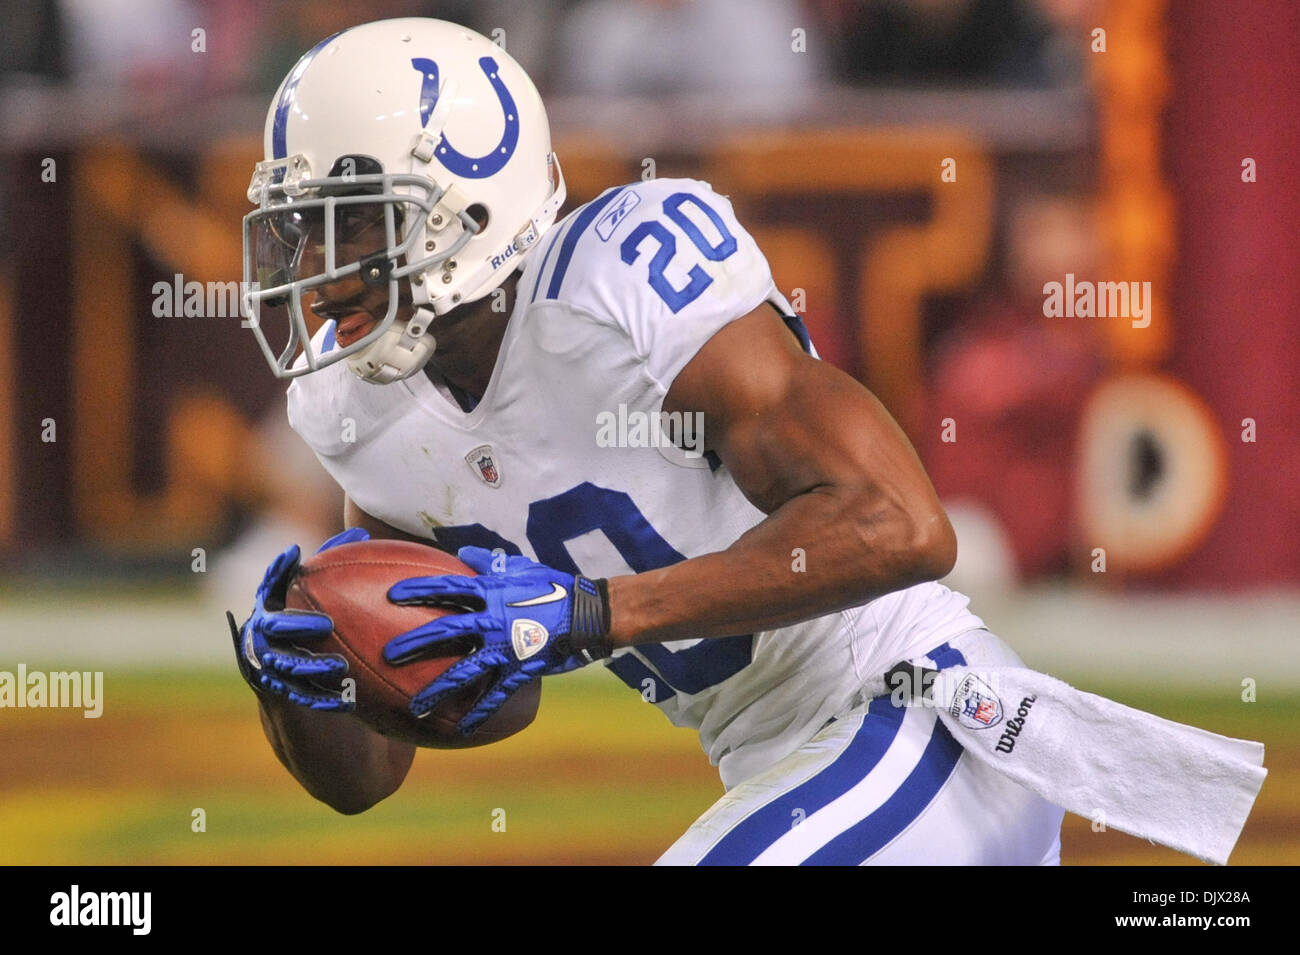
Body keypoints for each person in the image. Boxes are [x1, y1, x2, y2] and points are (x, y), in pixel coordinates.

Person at [230, 16, 1069, 865]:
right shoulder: (361, 408)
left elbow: (901, 524)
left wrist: (597, 612)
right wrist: (307, 669)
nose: (322, 271)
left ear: (463, 210)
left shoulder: (621, 280)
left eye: (356, 224)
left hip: (927, 717)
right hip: (792, 775)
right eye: (301, 230)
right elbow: (415, 729)